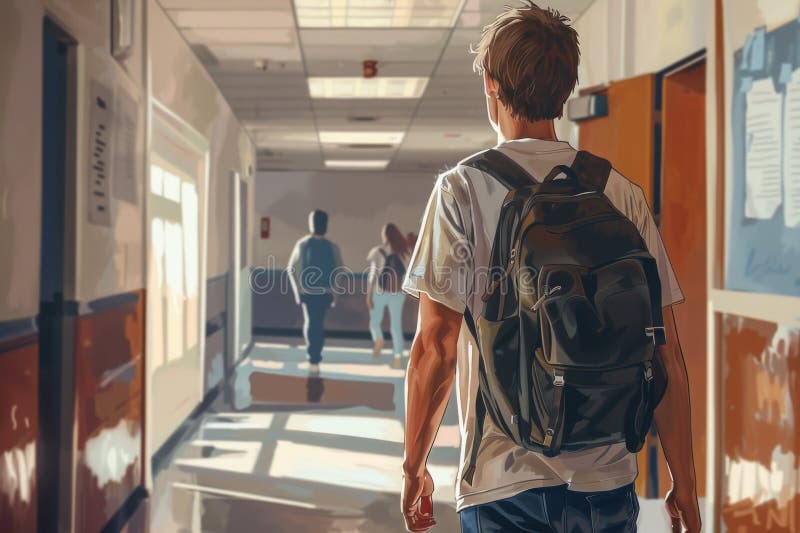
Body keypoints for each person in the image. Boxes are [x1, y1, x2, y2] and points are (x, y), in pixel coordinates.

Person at [400, 3, 702, 533]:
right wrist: (686, 481)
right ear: (566, 89)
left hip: (503, 483)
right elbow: (665, 352)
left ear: (492, 86)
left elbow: (436, 347)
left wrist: (414, 467)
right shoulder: (619, 193)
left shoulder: (462, 191)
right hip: (608, 484)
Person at [288, 210, 343, 375]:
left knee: (313, 324)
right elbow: (339, 271)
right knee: (316, 324)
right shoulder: (331, 247)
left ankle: (313, 358)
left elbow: (292, 269)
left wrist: (298, 292)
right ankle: (314, 357)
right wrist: (335, 293)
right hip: (322, 292)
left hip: (311, 292)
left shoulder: (303, 245)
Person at [366, 223, 412, 369]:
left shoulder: (377, 251)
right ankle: (397, 357)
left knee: (374, 321)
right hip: (398, 293)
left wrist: (368, 295)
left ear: (385, 236)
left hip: (380, 291)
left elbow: (372, 275)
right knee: (396, 326)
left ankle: (378, 338)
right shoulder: (404, 253)